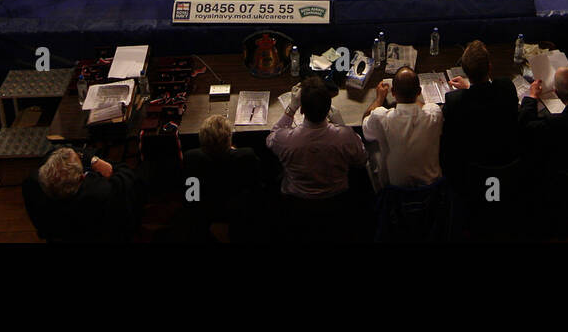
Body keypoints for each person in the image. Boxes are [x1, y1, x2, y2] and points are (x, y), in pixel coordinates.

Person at [267, 75, 366, 209]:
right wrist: (342, 125)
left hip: (296, 203)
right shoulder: (345, 137)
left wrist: (291, 108)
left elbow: (271, 137)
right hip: (336, 203)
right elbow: (361, 160)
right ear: (329, 109)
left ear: (302, 110)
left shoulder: (285, 140)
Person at [22, 146, 148, 244]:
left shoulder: (32, 185)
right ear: (82, 178)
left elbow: (53, 152)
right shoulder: (101, 192)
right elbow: (127, 175)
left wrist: (91, 160)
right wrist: (99, 162)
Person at [440, 39, 519, 189]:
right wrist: (470, 87)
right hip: (504, 163)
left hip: (470, 173)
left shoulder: (455, 101)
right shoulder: (506, 87)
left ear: (465, 71)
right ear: (489, 67)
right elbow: (486, 96)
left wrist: (469, 88)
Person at [181, 114, 264, 241]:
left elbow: (191, 197)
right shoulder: (246, 156)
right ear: (229, 139)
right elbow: (256, 187)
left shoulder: (191, 158)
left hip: (206, 212)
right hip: (239, 211)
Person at [362, 66, 443, 188]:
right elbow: (425, 105)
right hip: (432, 191)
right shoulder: (434, 113)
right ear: (419, 91)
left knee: (372, 142)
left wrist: (379, 98)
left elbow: (365, 122)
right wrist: (411, 95)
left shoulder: (381, 118)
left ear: (393, 92)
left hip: (395, 193)